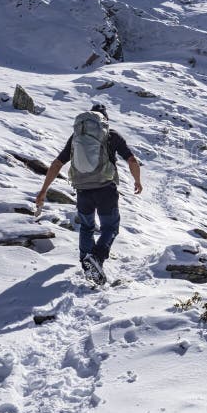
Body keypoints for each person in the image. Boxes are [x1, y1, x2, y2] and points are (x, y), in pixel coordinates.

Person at [35, 103, 142, 283]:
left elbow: (57, 164)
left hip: (83, 190)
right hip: (105, 189)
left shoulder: (76, 138)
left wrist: (43, 190)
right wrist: (137, 180)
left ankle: (87, 264)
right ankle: (97, 259)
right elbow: (131, 160)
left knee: (86, 227)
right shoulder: (111, 135)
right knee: (110, 227)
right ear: (105, 120)